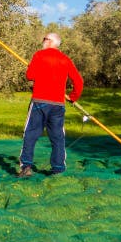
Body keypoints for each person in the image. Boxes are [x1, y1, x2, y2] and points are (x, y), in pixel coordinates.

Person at [18, 32, 83, 178]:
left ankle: (26, 167)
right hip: (57, 105)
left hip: (39, 102)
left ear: (49, 41)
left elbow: (29, 76)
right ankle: (58, 168)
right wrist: (73, 97)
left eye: (44, 39)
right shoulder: (65, 60)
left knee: (30, 134)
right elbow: (78, 81)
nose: (42, 41)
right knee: (57, 137)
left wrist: (32, 68)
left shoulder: (39, 55)